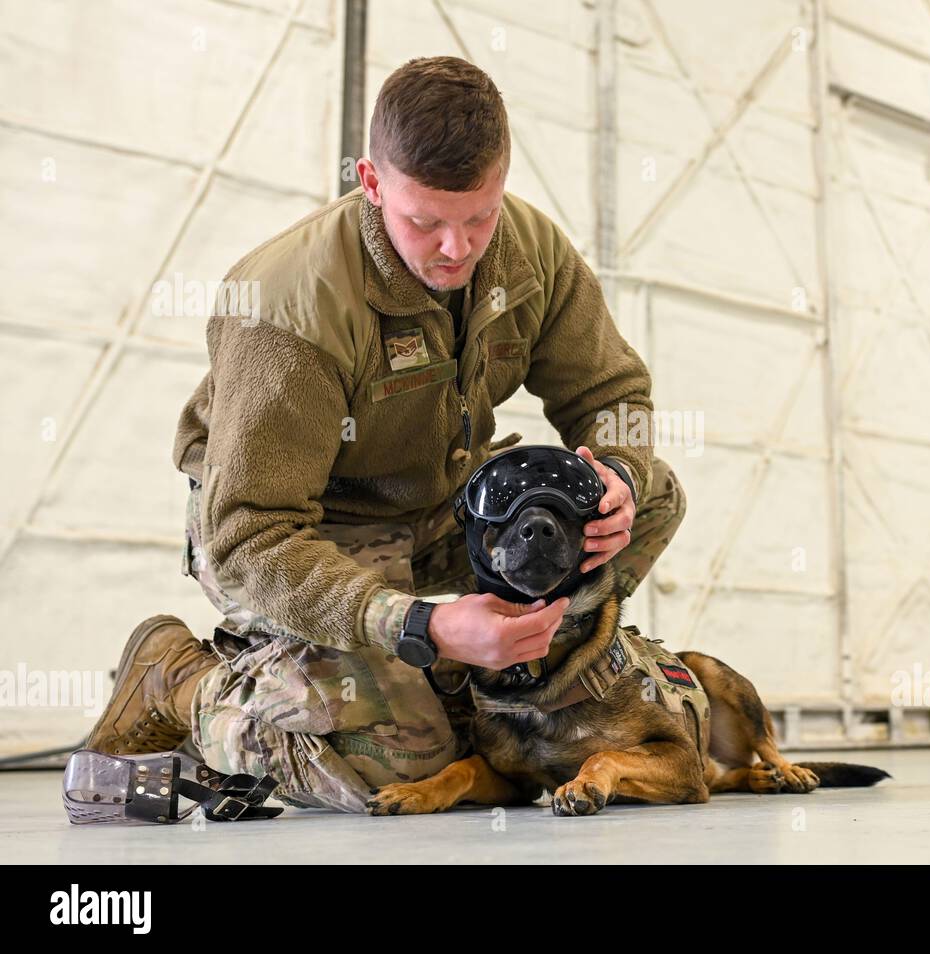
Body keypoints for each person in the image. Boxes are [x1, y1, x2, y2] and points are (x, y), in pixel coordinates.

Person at [84, 55, 687, 813]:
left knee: (658, 495)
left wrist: (620, 478)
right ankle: (182, 681)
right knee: (399, 764)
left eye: (479, 216)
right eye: (424, 221)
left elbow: (613, 393)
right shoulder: (289, 310)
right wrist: (419, 624)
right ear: (370, 182)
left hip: (434, 509)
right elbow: (250, 536)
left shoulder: (533, 250)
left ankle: (519, 684)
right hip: (301, 536)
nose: (457, 248)